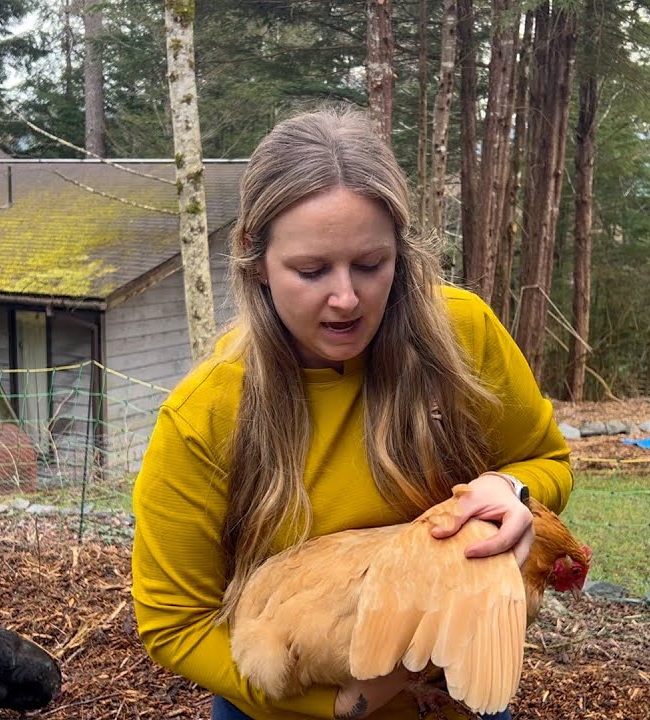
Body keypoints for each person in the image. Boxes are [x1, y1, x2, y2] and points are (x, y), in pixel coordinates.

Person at [131, 107, 573, 720]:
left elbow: (546, 458)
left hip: (452, 693)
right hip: (284, 708)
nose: (346, 298)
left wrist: (511, 488)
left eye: (371, 265)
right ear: (257, 264)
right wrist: (344, 705)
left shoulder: (463, 335)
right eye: (311, 270)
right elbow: (173, 622)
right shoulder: (207, 413)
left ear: (403, 252)